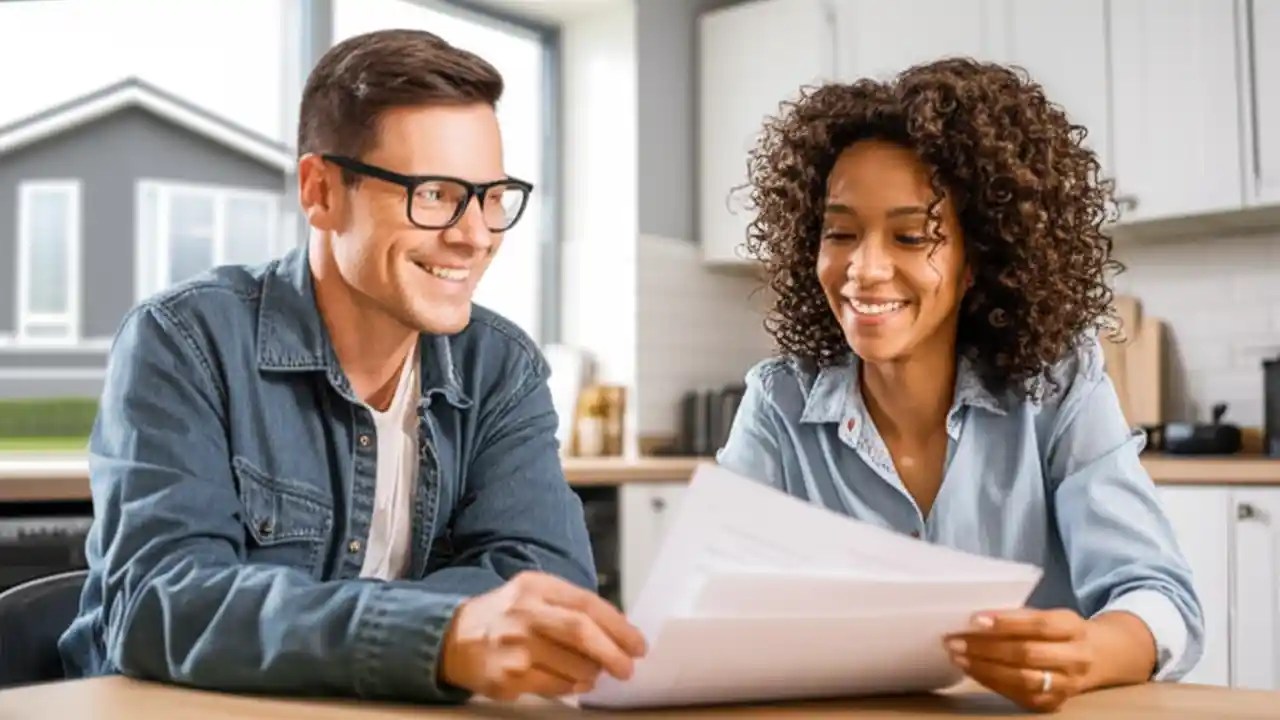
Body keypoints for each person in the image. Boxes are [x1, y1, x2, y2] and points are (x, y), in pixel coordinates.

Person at [59, 29, 645, 703]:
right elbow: (160, 603)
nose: (476, 235)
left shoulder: (500, 369)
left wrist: (424, 635)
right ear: (321, 191)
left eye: (491, 196)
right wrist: (442, 633)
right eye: (434, 194)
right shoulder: (184, 342)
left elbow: (546, 579)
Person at [716, 58, 1203, 713]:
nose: (865, 268)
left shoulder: (1055, 386)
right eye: (840, 233)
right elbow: (713, 602)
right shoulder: (777, 403)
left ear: (980, 257)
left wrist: (1091, 652)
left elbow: (1160, 598)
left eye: (912, 236)